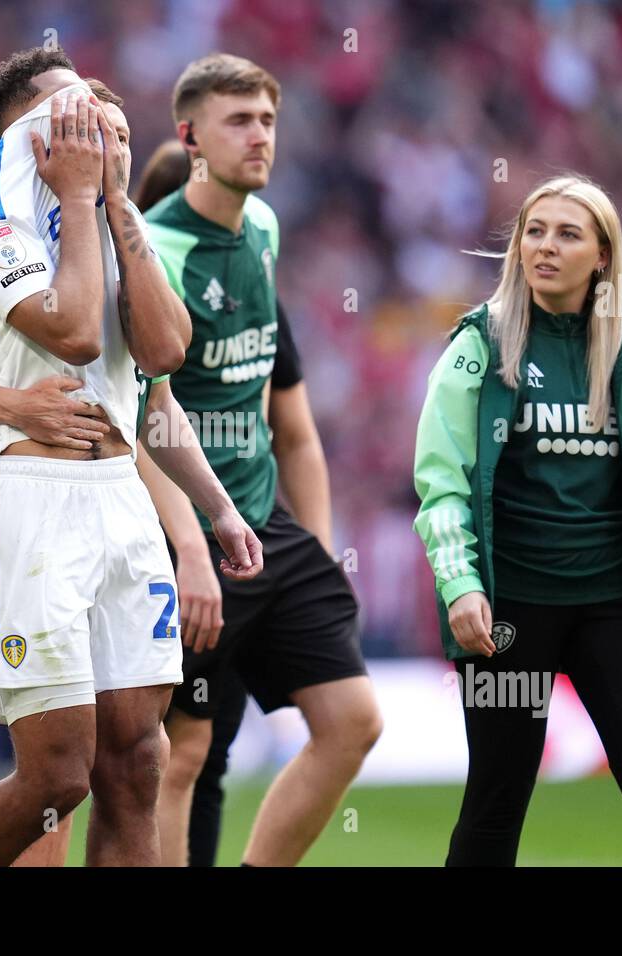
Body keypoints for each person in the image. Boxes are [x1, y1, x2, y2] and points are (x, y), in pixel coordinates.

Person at [0, 74, 260, 866]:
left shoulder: (119, 232)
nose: (95, 113)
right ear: (27, 133)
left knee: (139, 763)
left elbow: (158, 371)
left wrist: (215, 510)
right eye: (71, 104)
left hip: (121, 500)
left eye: (105, 114)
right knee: (58, 778)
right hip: (34, 501)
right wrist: (12, 406)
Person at [413, 174, 622, 866]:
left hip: (618, 608)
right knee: (497, 799)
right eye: (534, 231)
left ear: (603, 258)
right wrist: (459, 583)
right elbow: (441, 487)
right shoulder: (477, 347)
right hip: (510, 615)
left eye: (567, 234)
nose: (544, 247)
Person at [145, 53, 383, 867]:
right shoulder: (155, 252)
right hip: (183, 536)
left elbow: (289, 420)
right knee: (175, 756)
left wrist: (312, 543)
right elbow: (142, 420)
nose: (259, 136)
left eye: (268, 120)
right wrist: (188, 549)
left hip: (263, 527)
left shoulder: (267, 231)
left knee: (354, 721)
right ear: (191, 137)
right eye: (238, 120)